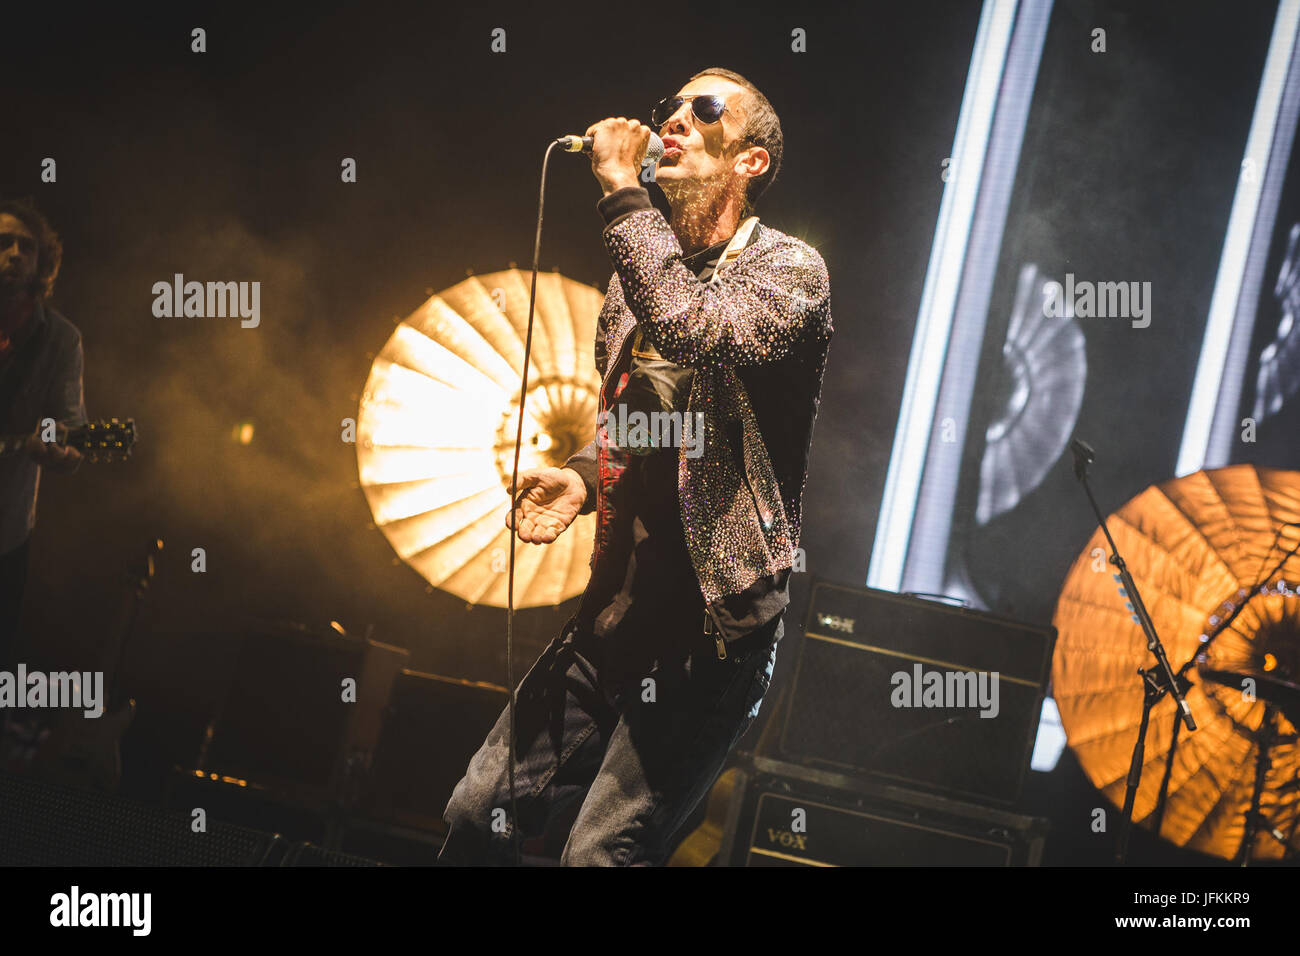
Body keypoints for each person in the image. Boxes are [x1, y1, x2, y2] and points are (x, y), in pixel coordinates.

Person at [439, 67, 832, 866]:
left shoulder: (792, 272)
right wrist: (584, 476)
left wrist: (623, 190)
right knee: (479, 813)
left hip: (713, 633)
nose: (674, 120)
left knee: (601, 852)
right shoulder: (633, 281)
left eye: (705, 108)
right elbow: (648, 413)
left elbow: (696, 328)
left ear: (751, 162)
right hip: (618, 609)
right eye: (671, 108)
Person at [0, 198, 85, 674]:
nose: (15, 254)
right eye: (3, 243)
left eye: (26, 248)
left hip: (5, 534)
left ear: (40, 263)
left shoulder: (60, 340)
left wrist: (52, 441)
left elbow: (68, 422)